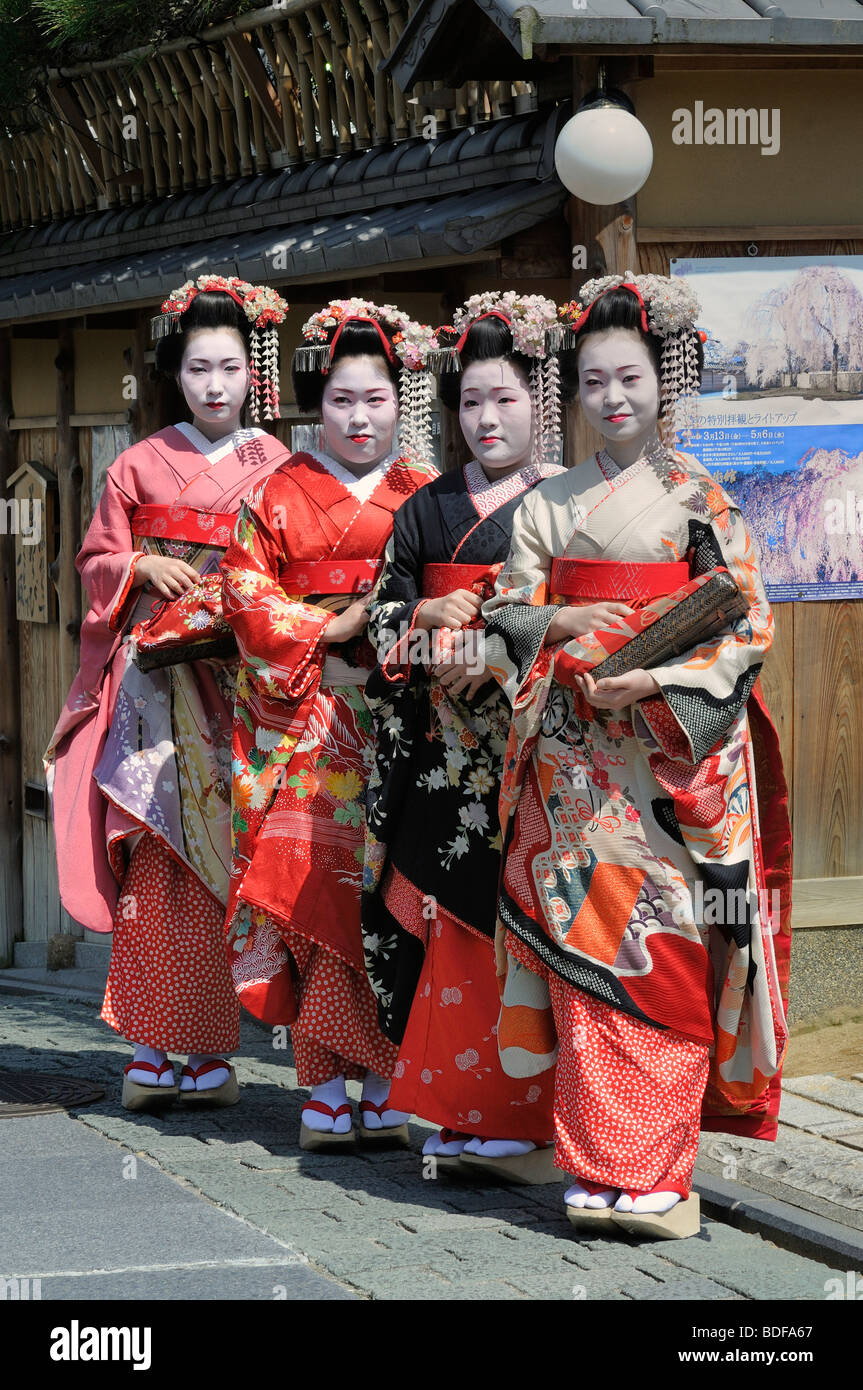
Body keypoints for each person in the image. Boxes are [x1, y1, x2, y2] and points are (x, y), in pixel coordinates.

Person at [482, 272, 792, 1238]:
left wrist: (650, 684)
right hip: (571, 771)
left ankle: (657, 1174)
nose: (613, 399)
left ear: (662, 381)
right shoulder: (545, 504)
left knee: (664, 946)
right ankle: (594, 1166)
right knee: (584, 953)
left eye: (630, 379)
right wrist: (567, 622)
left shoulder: (700, 498)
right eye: (593, 383)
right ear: (570, 393)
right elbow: (503, 617)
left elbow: (745, 622)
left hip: (661, 767)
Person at [46, 274, 291, 1110]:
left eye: (228, 368)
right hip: (154, 684)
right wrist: (136, 564)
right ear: (175, 376)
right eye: (197, 370)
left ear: (251, 373)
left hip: (240, 680)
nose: (214, 386)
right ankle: (154, 1040)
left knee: (230, 857)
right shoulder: (137, 463)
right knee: (154, 852)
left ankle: (212, 1049)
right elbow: (92, 563)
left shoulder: (279, 465)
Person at [221, 298, 440, 1150]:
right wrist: (329, 627)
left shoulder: (423, 493)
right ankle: (317, 1081)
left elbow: (454, 587)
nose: (357, 417)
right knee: (312, 888)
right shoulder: (276, 492)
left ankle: (386, 1077)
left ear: (401, 402)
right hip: (306, 719)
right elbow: (245, 595)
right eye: (342, 400)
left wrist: (389, 629)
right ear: (319, 402)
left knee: (390, 894)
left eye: (376, 399)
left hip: (400, 717)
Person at [361, 294, 564, 1179]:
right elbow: (379, 618)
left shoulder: (563, 504)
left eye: (505, 399)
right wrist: (422, 610)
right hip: (438, 745)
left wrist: (495, 642)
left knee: (519, 920)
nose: (485, 419)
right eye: (471, 401)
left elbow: (573, 614)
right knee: (443, 921)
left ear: (540, 402)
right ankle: (454, 1101)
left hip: (532, 745)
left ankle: (525, 1113)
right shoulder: (426, 507)